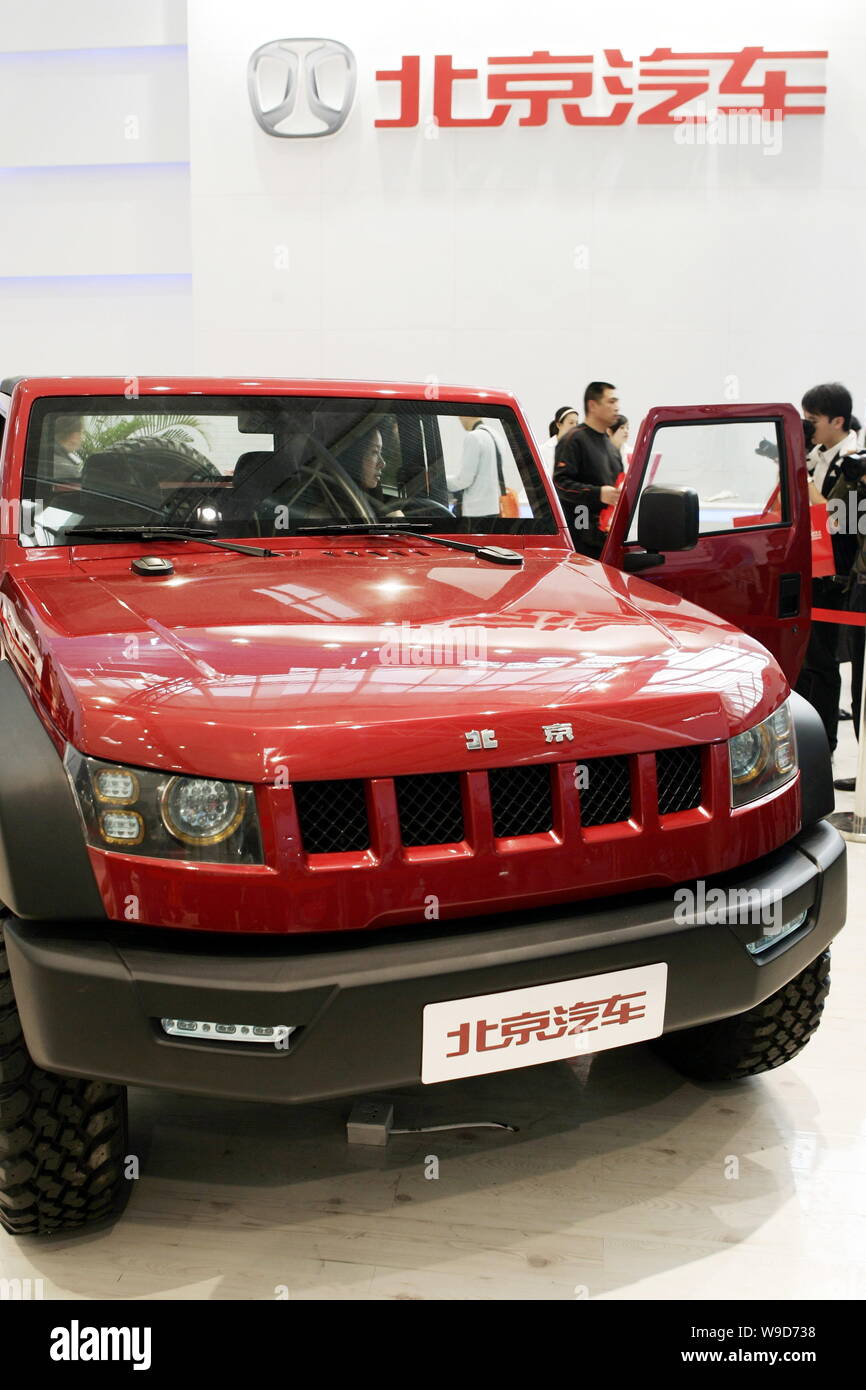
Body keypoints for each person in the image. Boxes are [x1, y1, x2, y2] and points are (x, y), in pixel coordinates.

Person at [795, 382, 859, 760]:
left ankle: (826, 745)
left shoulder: (853, 460)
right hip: (810, 569)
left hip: (836, 579)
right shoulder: (817, 454)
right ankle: (809, 738)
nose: (807, 427)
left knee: (824, 665)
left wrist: (801, 477)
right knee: (806, 662)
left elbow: (835, 518)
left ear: (837, 420)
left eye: (812, 420)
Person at [553, 382, 622, 556]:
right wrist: (597, 493)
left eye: (617, 402)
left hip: (606, 535)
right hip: (580, 534)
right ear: (593, 405)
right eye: (611, 402)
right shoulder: (574, 439)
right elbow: (560, 484)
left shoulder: (611, 446)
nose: (617, 407)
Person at [447, 416, 502, 531]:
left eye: (460, 417)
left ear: (466, 416)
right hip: (493, 509)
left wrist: (440, 481)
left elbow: (463, 480)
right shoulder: (496, 436)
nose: (460, 421)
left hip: (475, 513)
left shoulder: (474, 437)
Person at [540, 405, 579, 475]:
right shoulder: (543, 450)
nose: (575, 427)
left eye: (576, 423)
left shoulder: (577, 450)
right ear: (559, 425)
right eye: (571, 423)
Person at [51, 415, 84, 481]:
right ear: (74, 436)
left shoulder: (50, 457)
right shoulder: (67, 469)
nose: (83, 438)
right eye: (82, 433)